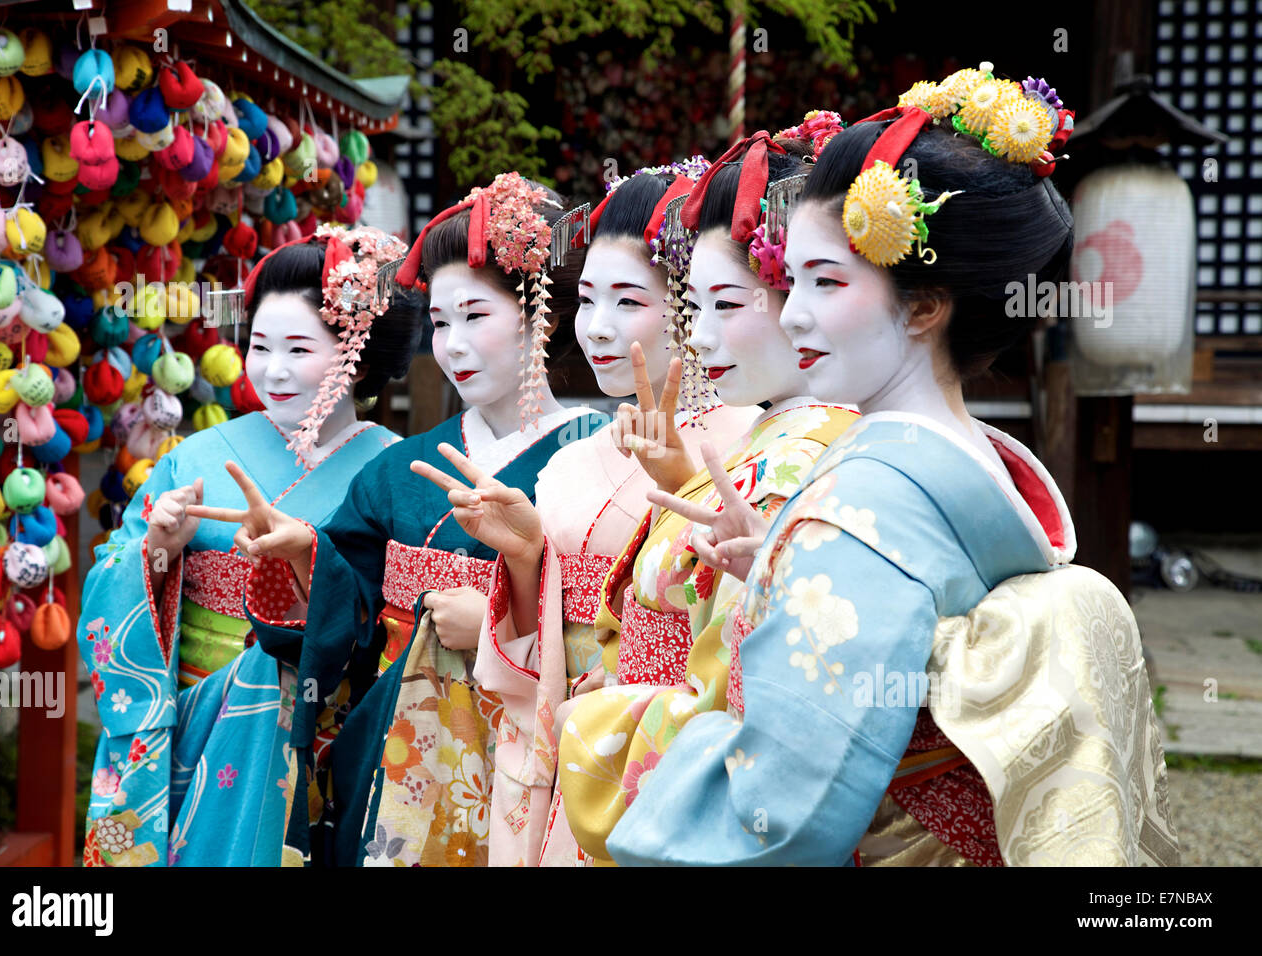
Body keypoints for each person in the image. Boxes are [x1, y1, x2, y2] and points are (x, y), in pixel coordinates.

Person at [607, 66, 1179, 866]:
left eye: (827, 281)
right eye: (789, 279)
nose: (795, 312)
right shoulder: (973, 470)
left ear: (922, 305)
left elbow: (775, 820)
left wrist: (615, 731)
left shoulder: (854, 518)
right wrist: (778, 556)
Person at [202, 173, 605, 866]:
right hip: (388, 754)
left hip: (525, 758)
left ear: (542, 314)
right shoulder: (395, 471)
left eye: (475, 316)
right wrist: (307, 554)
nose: (450, 345)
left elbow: (624, 637)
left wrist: (505, 635)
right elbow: (348, 618)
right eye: (441, 322)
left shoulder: (600, 462)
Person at [407, 159, 761, 866]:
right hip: (565, 752)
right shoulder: (570, 463)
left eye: (628, 301)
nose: (596, 329)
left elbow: (757, 626)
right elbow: (543, 649)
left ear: (693, 302)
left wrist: (687, 489)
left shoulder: (755, 444)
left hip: (669, 758)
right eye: (588, 301)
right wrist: (528, 558)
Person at [554, 119, 862, 865]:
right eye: (697, 308)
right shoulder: (777, 439)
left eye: (728, 305)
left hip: (682, 789)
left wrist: (585, 725)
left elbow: (743, 700)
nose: (699, 338)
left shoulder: (796, 460)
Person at [79, 225, 418, 866]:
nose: (274, 369)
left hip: (314, 733)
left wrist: (309, 562)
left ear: (358, 353)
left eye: (299, 347)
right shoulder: (197, 456)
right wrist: (158, 552)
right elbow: (108, 581)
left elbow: (402, 625)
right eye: (260, 346)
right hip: (190, 724)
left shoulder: (393, 471)